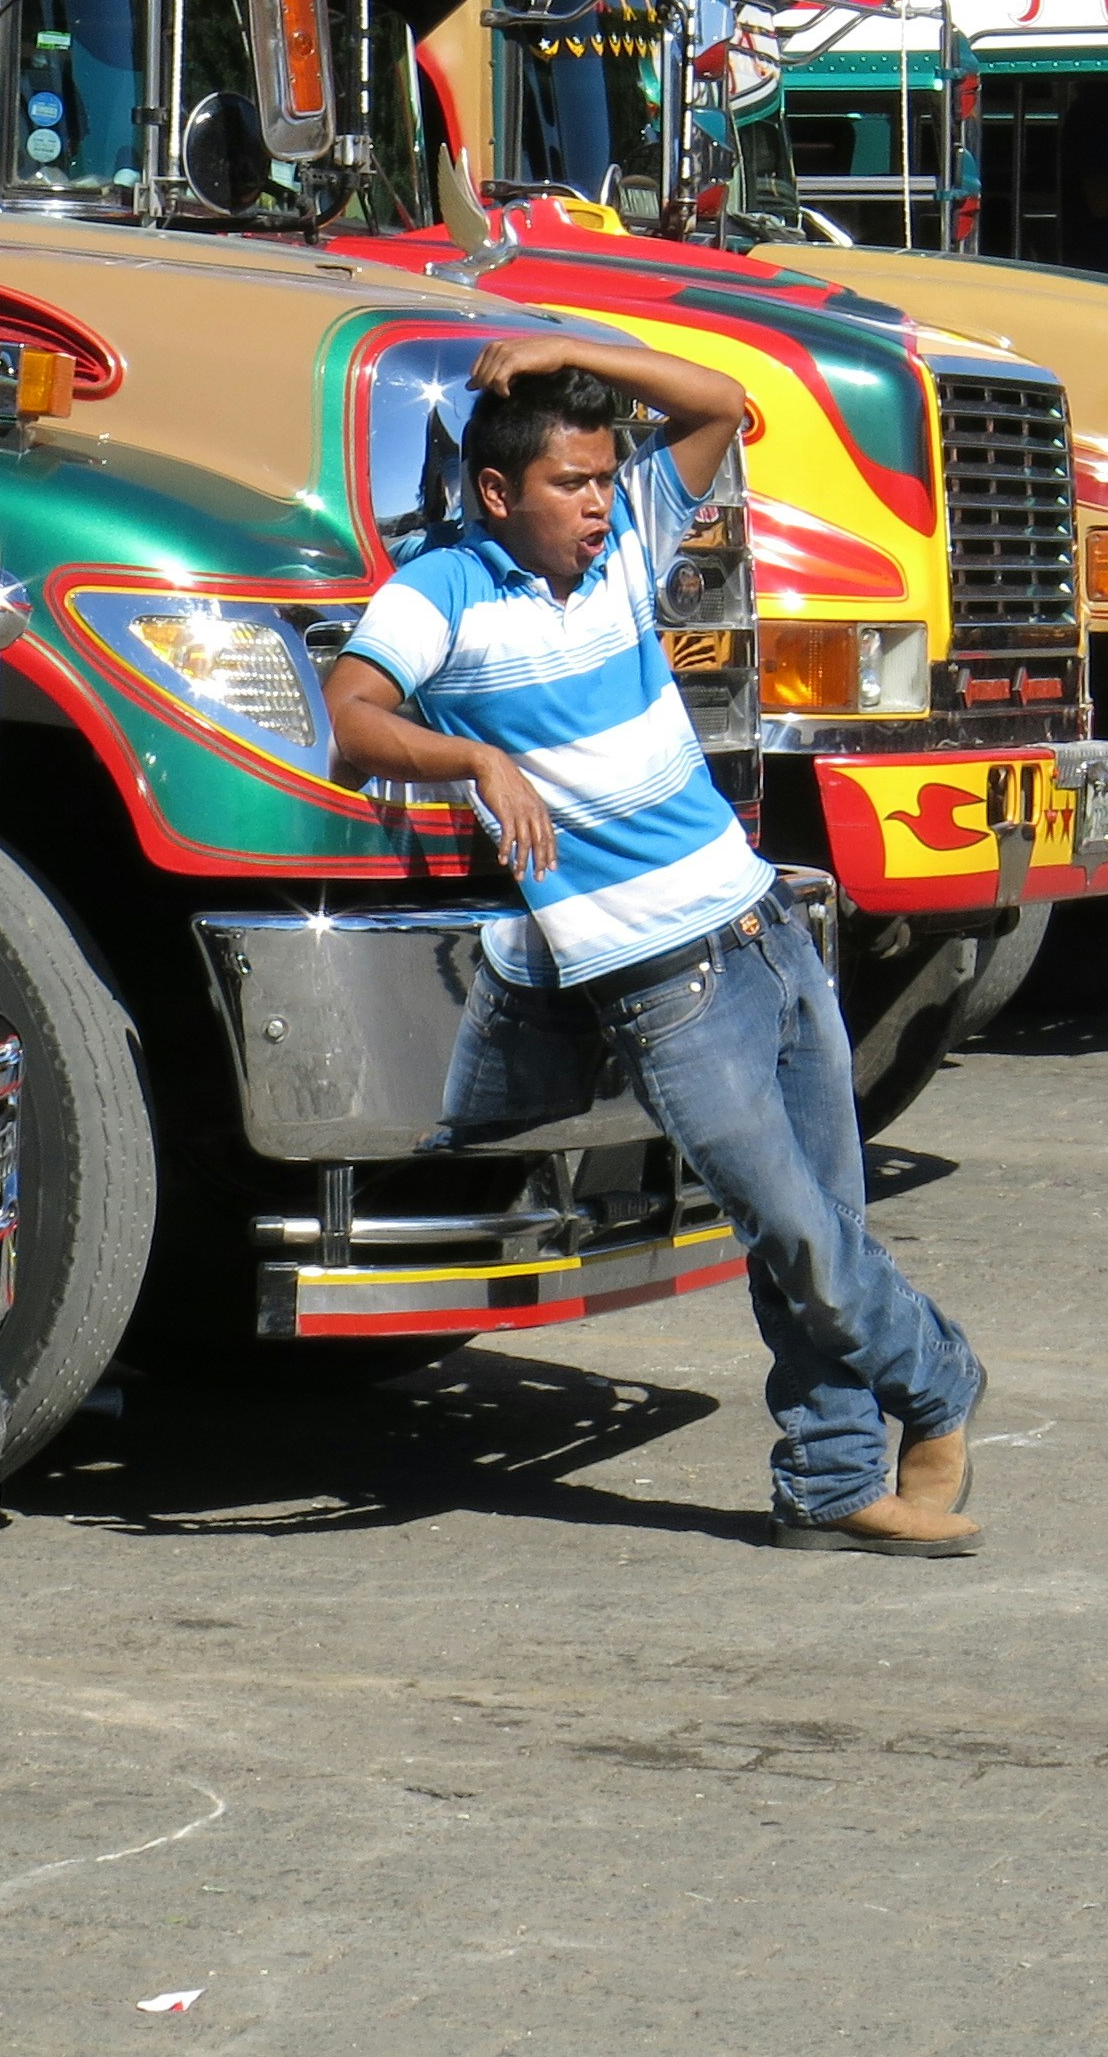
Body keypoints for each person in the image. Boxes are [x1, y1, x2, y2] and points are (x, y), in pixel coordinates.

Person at [322, 329, 989, 1555]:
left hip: (767, 930)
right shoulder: (440, 594)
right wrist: (476, 755)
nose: (594, 500)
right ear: (492, 496)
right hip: (658, 983)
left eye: (599, 475)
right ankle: (942, 1382)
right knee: (789, 1226)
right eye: (568, 483)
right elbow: (351, 716)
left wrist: (569, 350)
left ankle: (834, 1486)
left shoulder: (630, 536)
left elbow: (722, 401)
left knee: (827, 1225)